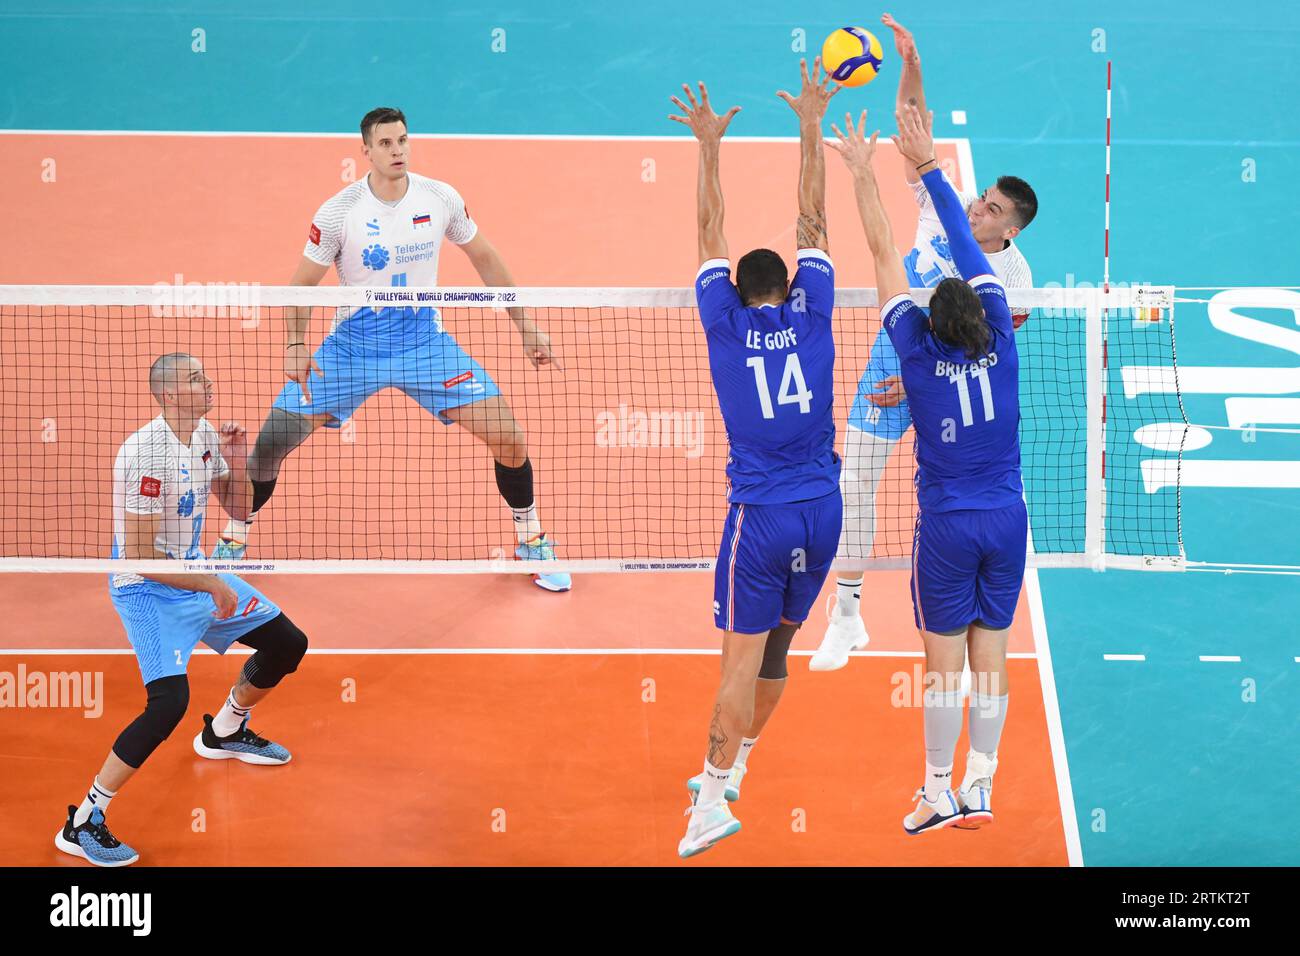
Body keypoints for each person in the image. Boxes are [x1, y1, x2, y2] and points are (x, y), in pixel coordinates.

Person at [217, 106, 570, 592]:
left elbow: (485, 257)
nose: (397, 150)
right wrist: (296, 343)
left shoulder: (439, 197)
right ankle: (234, 540)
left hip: (424, 344)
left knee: (509, 438)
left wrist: (526, 327)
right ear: (366, 151)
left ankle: (530, 540)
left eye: (402, 140)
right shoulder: (339, 212)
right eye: (385, 144)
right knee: (267, 449)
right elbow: (302, 285)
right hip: (351, 348)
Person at [813, 14, 1037, 670]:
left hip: (950, 388)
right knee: (855, 482)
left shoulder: (1015, 281)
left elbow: (992, 357)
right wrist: (911, 59)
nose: (977, 209)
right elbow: (914, 123)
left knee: (951, 507)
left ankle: (966, 640)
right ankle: (847, 614)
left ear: (1010, 234)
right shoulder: (943, 206)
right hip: (900, 348)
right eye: (983, 198)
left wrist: (922, 383)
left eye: (992, 210)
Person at [829, 104, 1026, 833]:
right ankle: (983, 783)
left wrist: (860, 173)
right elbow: (976, 264)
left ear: (925, 323)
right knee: (992, 657)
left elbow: (885, 254)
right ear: (984, 315)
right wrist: (928, 171)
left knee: (944, 666)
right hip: (1009, 521)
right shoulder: (1002, 338)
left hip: (947, 529)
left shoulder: (914, 359)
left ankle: (937, 789)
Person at [670, 61, 843, 857]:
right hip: (823, 511)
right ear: (793, 288)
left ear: (736, 293)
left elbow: (711, 234)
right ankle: (737, 767)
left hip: (761, 519)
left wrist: (709, 148)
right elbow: (814, 223)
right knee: (776, 648)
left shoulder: (724, 326)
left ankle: (710, 799)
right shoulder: (815, 321)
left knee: (734, 666)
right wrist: (811, 125)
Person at [58, 353, 308, 866]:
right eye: (196, 378)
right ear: (169, 393)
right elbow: (140, 558)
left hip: (195, 573)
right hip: (147, 589)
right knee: (168, 704)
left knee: (288, 643)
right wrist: (210, 584)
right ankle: (83, 820)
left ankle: (225, 729)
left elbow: (239, 509)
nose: (209, 381)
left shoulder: (204, 436)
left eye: (205, 374)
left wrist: (236, 460)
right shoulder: (145, 456)